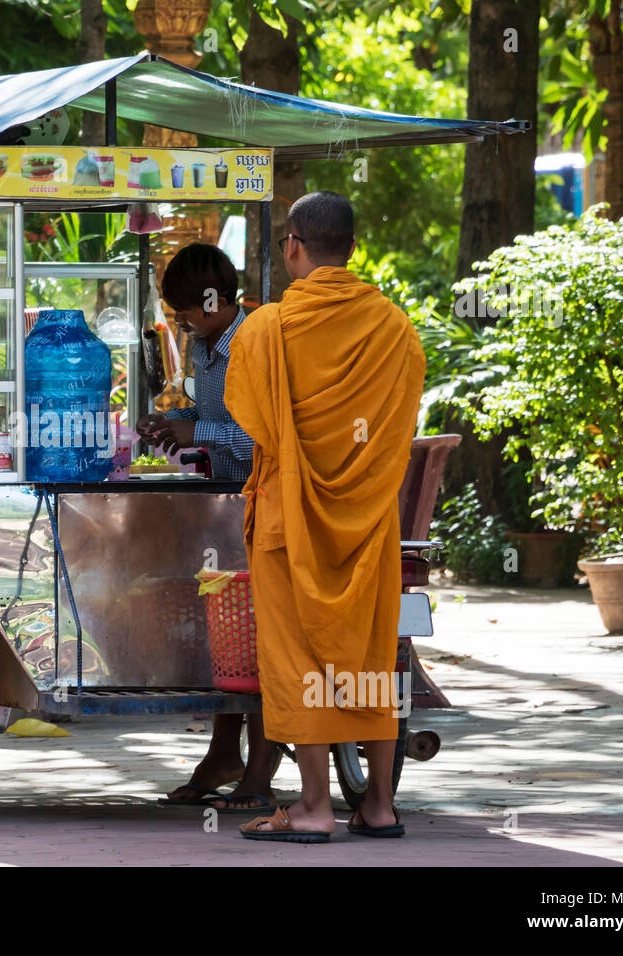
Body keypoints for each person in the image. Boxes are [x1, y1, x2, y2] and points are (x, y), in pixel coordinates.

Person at [224, 191, 425, 843]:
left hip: (290, 524)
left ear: (292, 244)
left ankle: (313, 808)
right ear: (353, 248)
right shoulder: (394, 328)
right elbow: (397, 428)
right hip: (366, 524)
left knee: (298, 660)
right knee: (368, 656)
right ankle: (380, 806)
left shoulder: (265, 330)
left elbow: (250, 420)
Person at [136, 242, 280, 814]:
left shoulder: (256, 343)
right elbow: (215, 417)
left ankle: (261, 766)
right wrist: (176, 422)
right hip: (227, 508)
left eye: (188, 313)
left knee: (266, 642)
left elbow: (262, 437)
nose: (184, 325)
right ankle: (224, 752)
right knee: (233, 641)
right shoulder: (203, 349)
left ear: (213, 302)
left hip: (268, 504)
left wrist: (202, 436)